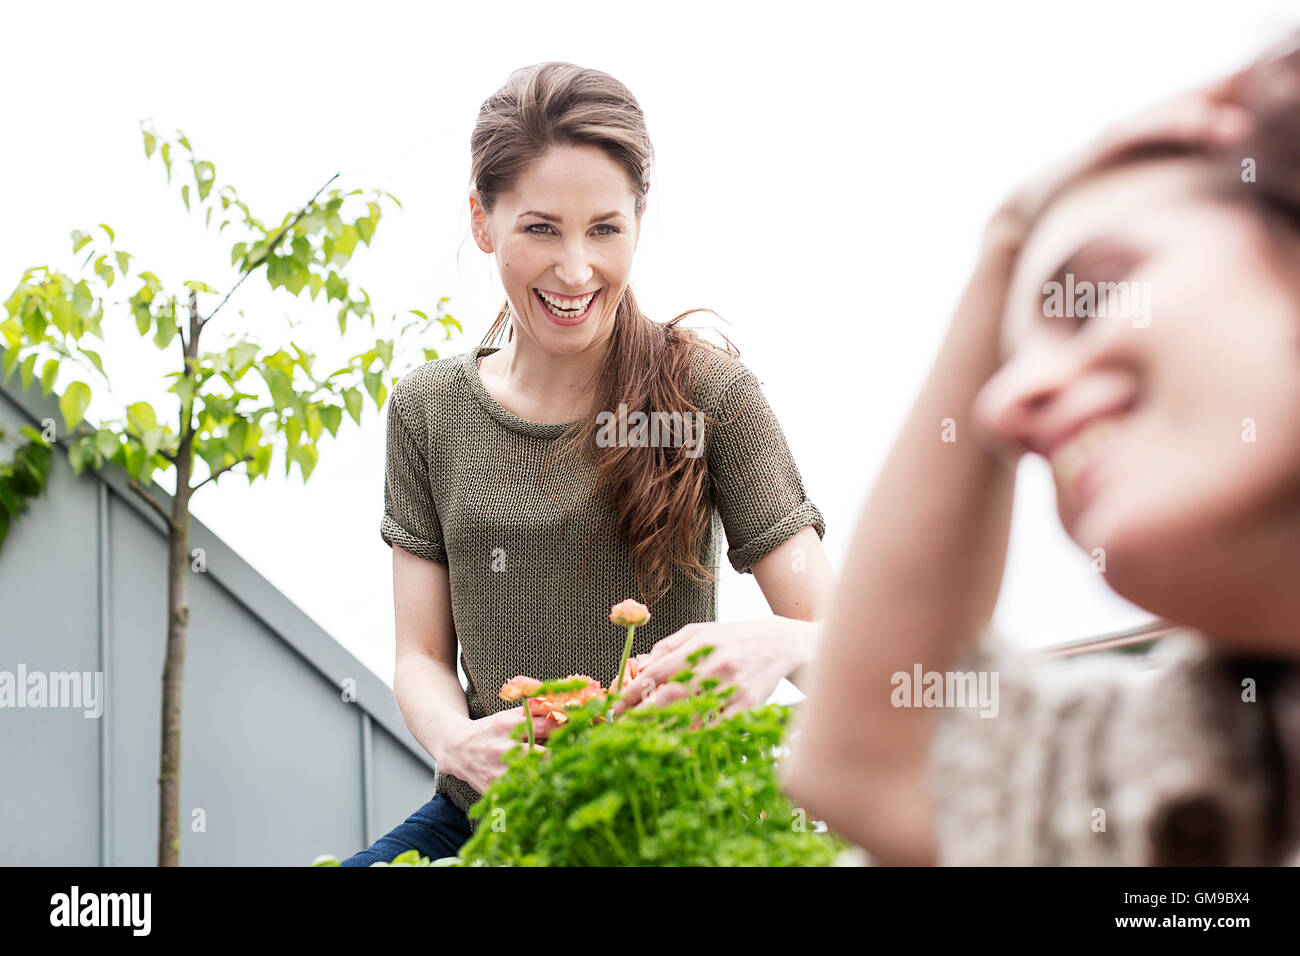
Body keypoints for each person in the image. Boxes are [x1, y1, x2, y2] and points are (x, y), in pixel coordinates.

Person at [783, 38, 1300, 865]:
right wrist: (1006, 242)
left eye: (1092, 292)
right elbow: (872, 762)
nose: (1000, 406)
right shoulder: (1222, 772)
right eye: (1009, 353)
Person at [341, 62, 836, 865]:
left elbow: (842, 642)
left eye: (605, 229)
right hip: (488, 818)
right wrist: (458, 745)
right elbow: (421, 655)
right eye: (541, 228)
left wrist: (778, 642)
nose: (575, 271)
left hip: (659, 819)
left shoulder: (710, 396)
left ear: (640, 221)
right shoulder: (427, 410)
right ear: (481, 221)